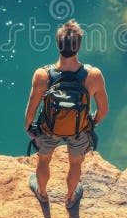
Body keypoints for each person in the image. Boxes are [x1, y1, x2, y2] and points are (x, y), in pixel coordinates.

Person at [24, 19, 109, 208]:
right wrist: (90, 124)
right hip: (79, 131)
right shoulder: (94, 75)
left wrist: (29, 127)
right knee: (75, 163)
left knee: (44, 160)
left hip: (48, 128)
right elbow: (103, 110)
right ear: (79, 46)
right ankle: (70, 198)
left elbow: (31, 109)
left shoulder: (42, 75)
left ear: (58, 45)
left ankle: (42, 192)